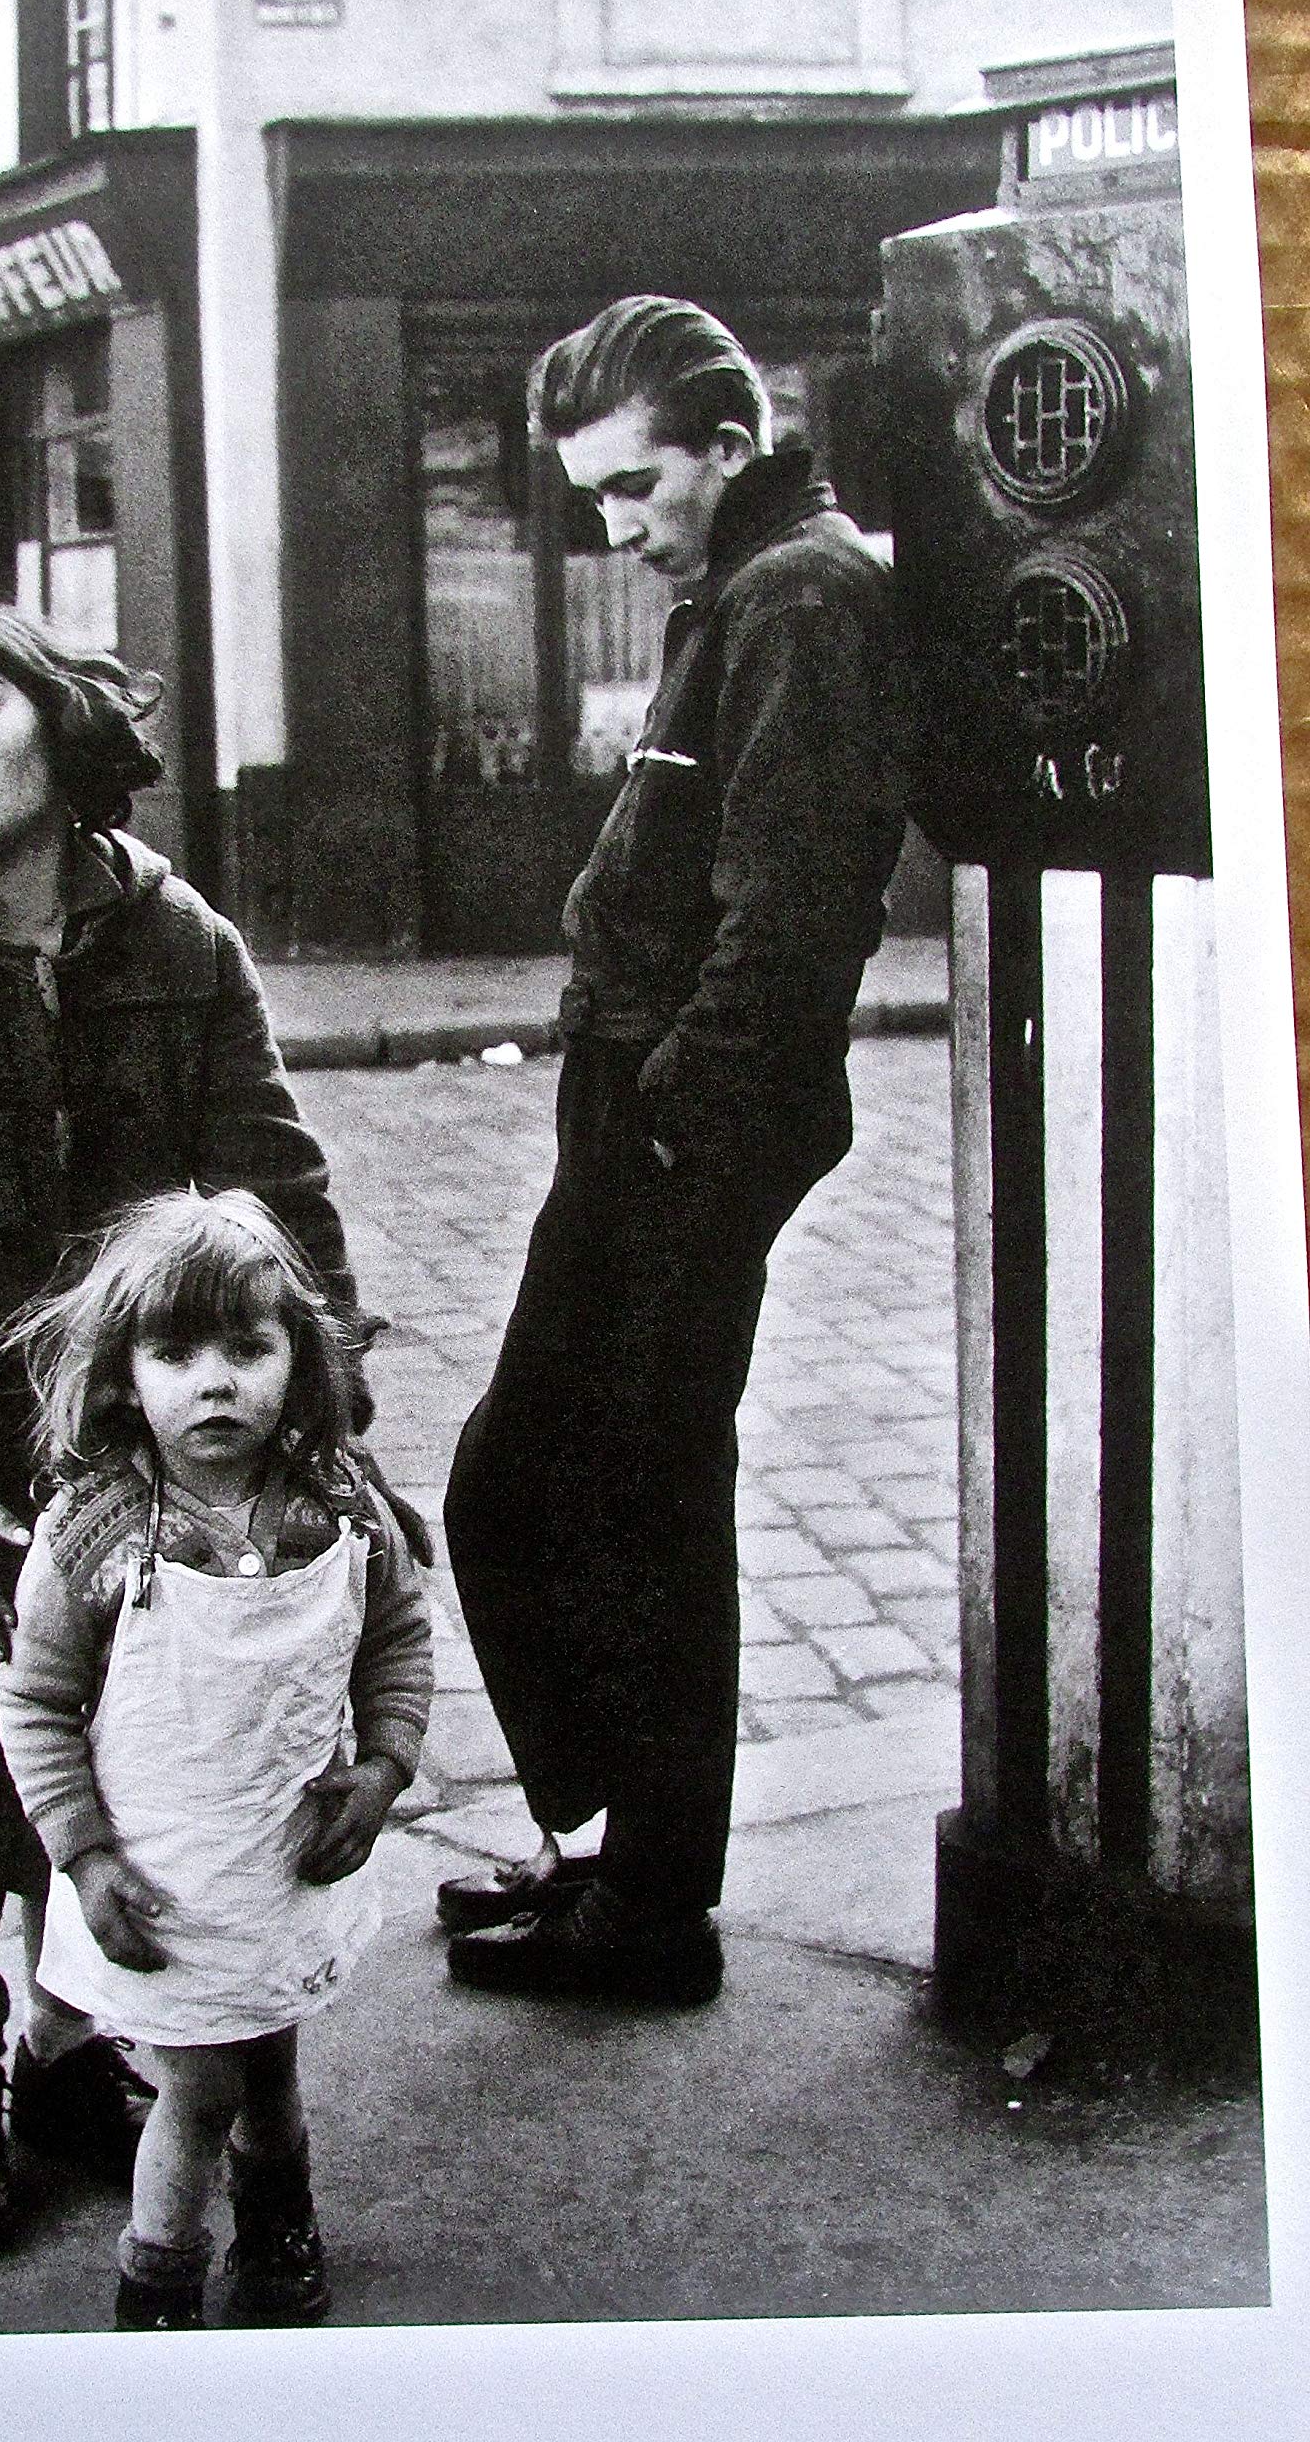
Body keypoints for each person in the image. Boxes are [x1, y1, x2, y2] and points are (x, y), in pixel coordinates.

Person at [0, 604, 370, 2258]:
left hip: (113, 1434)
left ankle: (59, 2049)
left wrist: (333, 1416)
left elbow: (276, 1188)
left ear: (57, 720)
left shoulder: (183, 945)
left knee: (100, 1735)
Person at [439, 296, 909, 2001]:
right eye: (594, 500)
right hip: (650, 1100)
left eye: (638, 487)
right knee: (592, 1487)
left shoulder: (798, 597)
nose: (617, 529)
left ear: (732, 439)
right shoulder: (752, 587)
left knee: (585, 1491)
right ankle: (622, 1863)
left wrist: (668, 1118)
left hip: (683, 1117)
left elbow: (791, 912)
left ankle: (645, 1910)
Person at [0, 1190, 432, 2332]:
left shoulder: (338, 1507)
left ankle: (279, 2218)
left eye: (247, 1349)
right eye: (176, 1354)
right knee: (197, 2089)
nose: (215, 1383)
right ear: (123, 1375)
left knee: (271, 2061)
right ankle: (160, 2281)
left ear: (300, 1357)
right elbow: (35, 1700)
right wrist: (84, 1857)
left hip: (283, 1859)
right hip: (161, 1876)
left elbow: (397, 1636)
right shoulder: (94, 1535)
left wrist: (384, 1768)